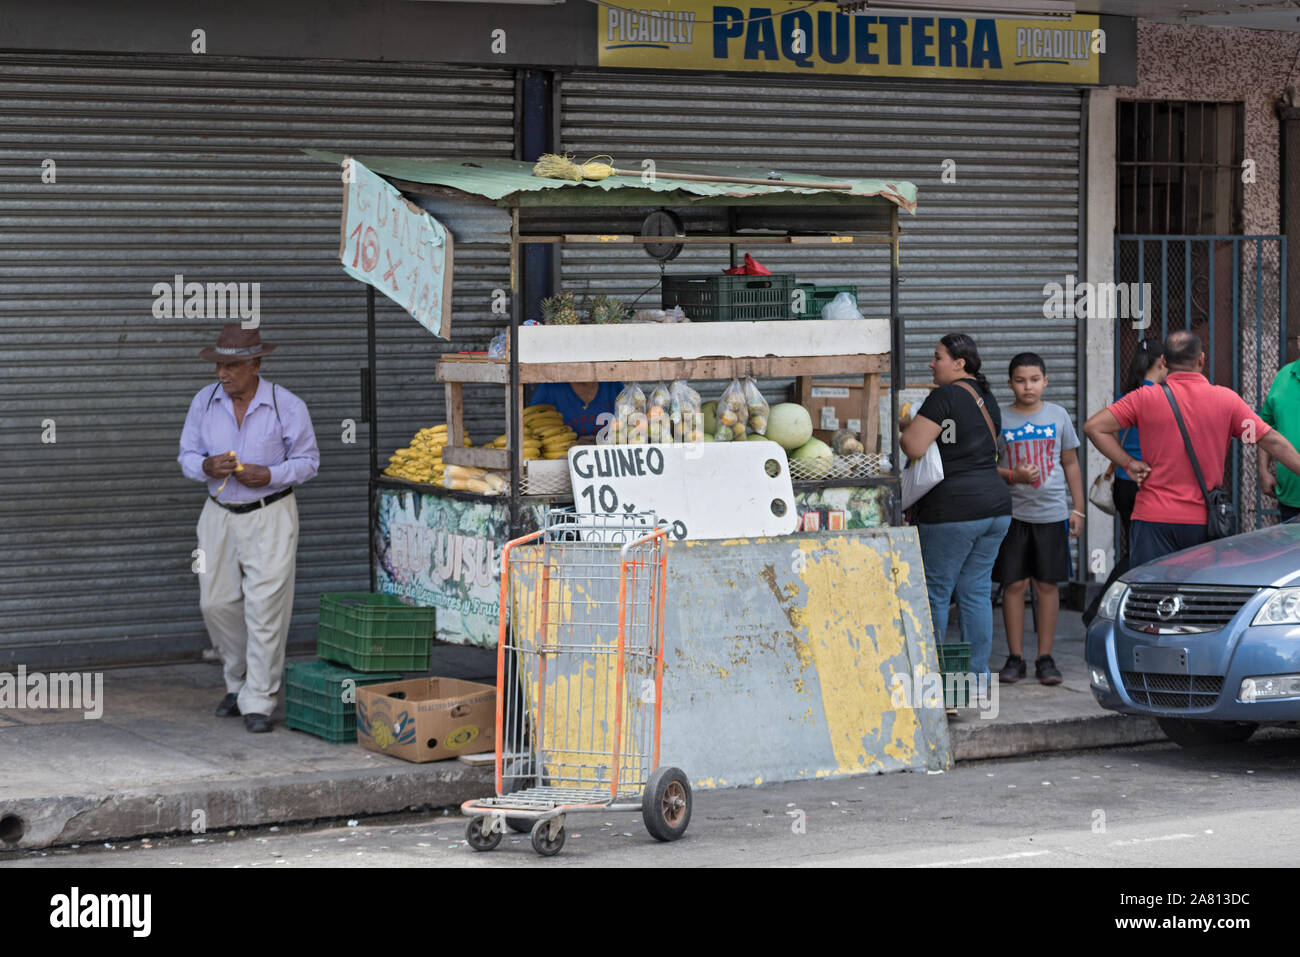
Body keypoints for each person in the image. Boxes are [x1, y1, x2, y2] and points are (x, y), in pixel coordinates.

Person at [178, 324, 320, 733]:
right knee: (216, 603)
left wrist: (271, 473)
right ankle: (238, 680)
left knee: (265, 610)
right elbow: (186, 454)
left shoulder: (286, 404)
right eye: (219, 365)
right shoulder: (204, 402)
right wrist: (204, 466)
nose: (223, 373)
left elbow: (309, 462)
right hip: (218, 513)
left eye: (233, 366)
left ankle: (258, 698)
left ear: (255, 364)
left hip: (270, 513)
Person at [1083, 330, 1300, 566]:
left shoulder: (1144, 398)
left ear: (1164, 362)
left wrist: (1129, 463)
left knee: (1148, 594)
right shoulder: (1226, 401)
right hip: (1201, 523)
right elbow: (1271, 441)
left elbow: (1094, 427)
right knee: (1198, 595)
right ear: (1201, 360)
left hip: (1153, 518)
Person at [900, 333, 1012, 681]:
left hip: (953, 511)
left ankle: (931, 676)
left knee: (935, 591)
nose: (931, 364)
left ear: (959, 363)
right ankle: (974, 678)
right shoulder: (986, 397)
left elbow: (914, 446)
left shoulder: (944, 395)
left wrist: (906, 427)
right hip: (996, 508)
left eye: (937, 357)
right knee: (975, 591)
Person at [991, 353, 1084, 686]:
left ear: (1045, 381)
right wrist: (1012, 475)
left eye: (1034, 379)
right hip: (1012, 515)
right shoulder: (999, 418)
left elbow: (1070, 463)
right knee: (1013, 585)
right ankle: (1015, 658)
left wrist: (1078, 508)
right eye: (1020, 380)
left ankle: (1045, 657)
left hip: (1052, 514)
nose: (1027, 386)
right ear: (1009, 383)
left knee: (1047, 585)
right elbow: (988, 466)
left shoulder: (1058, 415)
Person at [1081, 338, 1165, 625]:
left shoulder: (1127, 394)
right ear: (1162, 362)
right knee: (1142, 552)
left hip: (1124, 482)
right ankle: (1099, 608)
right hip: (1143, 480)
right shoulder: (1157, 397)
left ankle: (1126, 609)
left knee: (1137, 549)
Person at [1258, 334, 1300, 521]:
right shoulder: (1283, 376)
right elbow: (1264, 428)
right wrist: (1263, 470)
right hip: (1289, 500)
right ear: (1299, 341)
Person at [528, 381, 621, 439]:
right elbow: (531, 428)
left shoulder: (612, 384)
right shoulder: (550, 387)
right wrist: (572, 445)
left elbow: (630, 419)